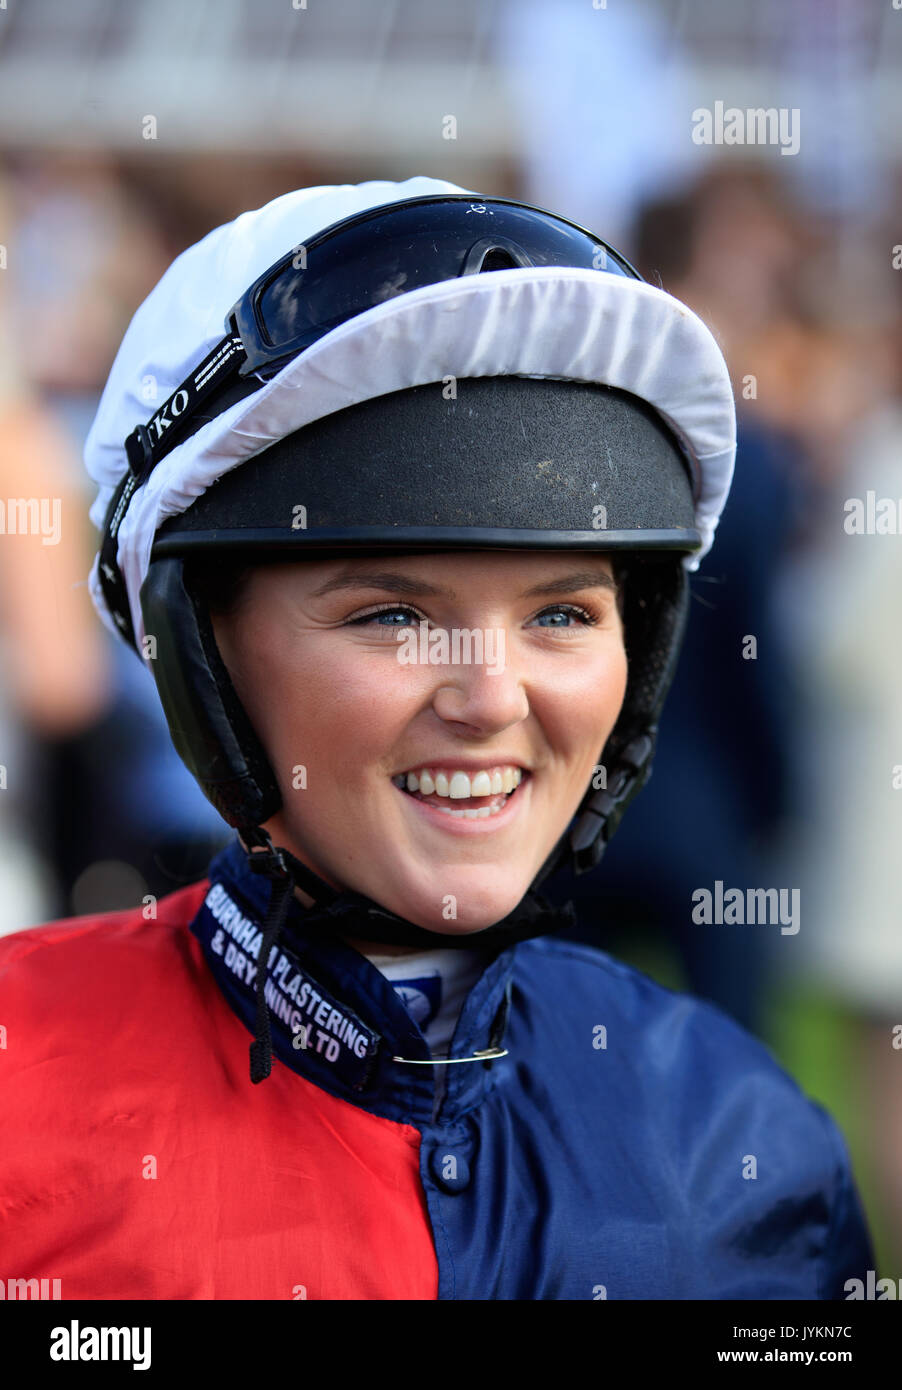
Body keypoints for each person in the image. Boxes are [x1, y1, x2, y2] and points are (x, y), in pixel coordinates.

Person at [0, 177, 873, 1300]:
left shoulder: (740, 1143)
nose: (491, 696)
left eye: (561, 612)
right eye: (393, 616)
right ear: (201, 651)